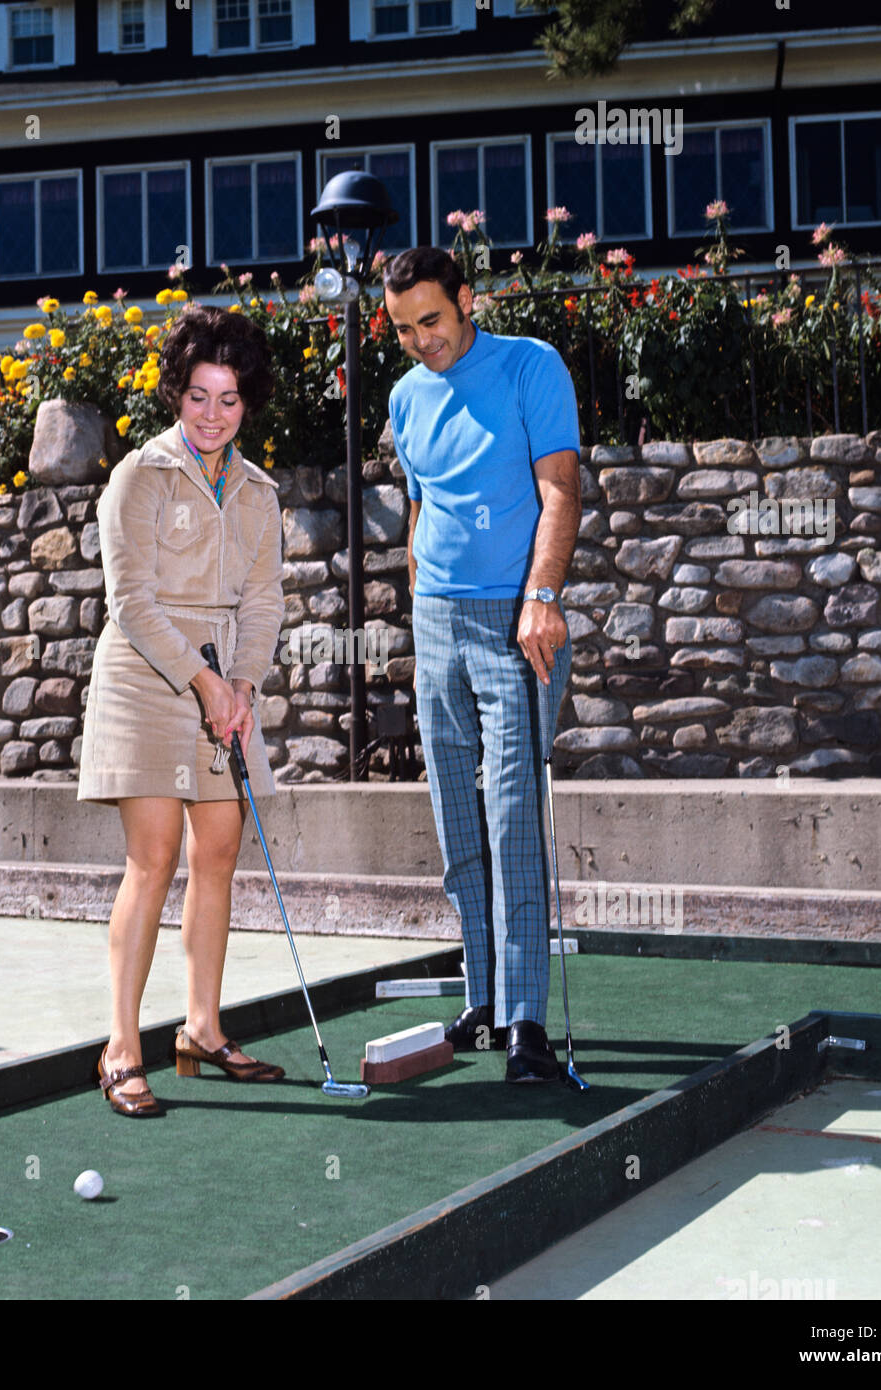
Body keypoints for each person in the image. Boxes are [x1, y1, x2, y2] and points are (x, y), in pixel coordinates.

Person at [76, 304, 286, 1116]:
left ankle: (201, 1028)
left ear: (248, 403)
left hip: (222, 681)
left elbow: (264, 601)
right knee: (155, 855)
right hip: (147, 676)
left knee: (222, 850)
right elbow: (130, 601)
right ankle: (122, 1046)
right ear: (176, 394)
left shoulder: (260, 493)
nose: (212, 414)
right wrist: (204, 684)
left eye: (229, 399)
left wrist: (243, 685)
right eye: (199, 395)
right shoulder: (139, 477)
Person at [383, 246, 582, 1084]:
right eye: (402, 328)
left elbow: (562, 491)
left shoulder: (531, 366)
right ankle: (484, 994)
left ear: (468, 299)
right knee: (453, 818)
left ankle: (527, 1021)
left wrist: (541, 595)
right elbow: (421, 509)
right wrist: (419, 601)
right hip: (436, 623)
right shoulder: (403, 397)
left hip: (515, 619)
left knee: (509, 819)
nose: (421, 340)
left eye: (431, 318)